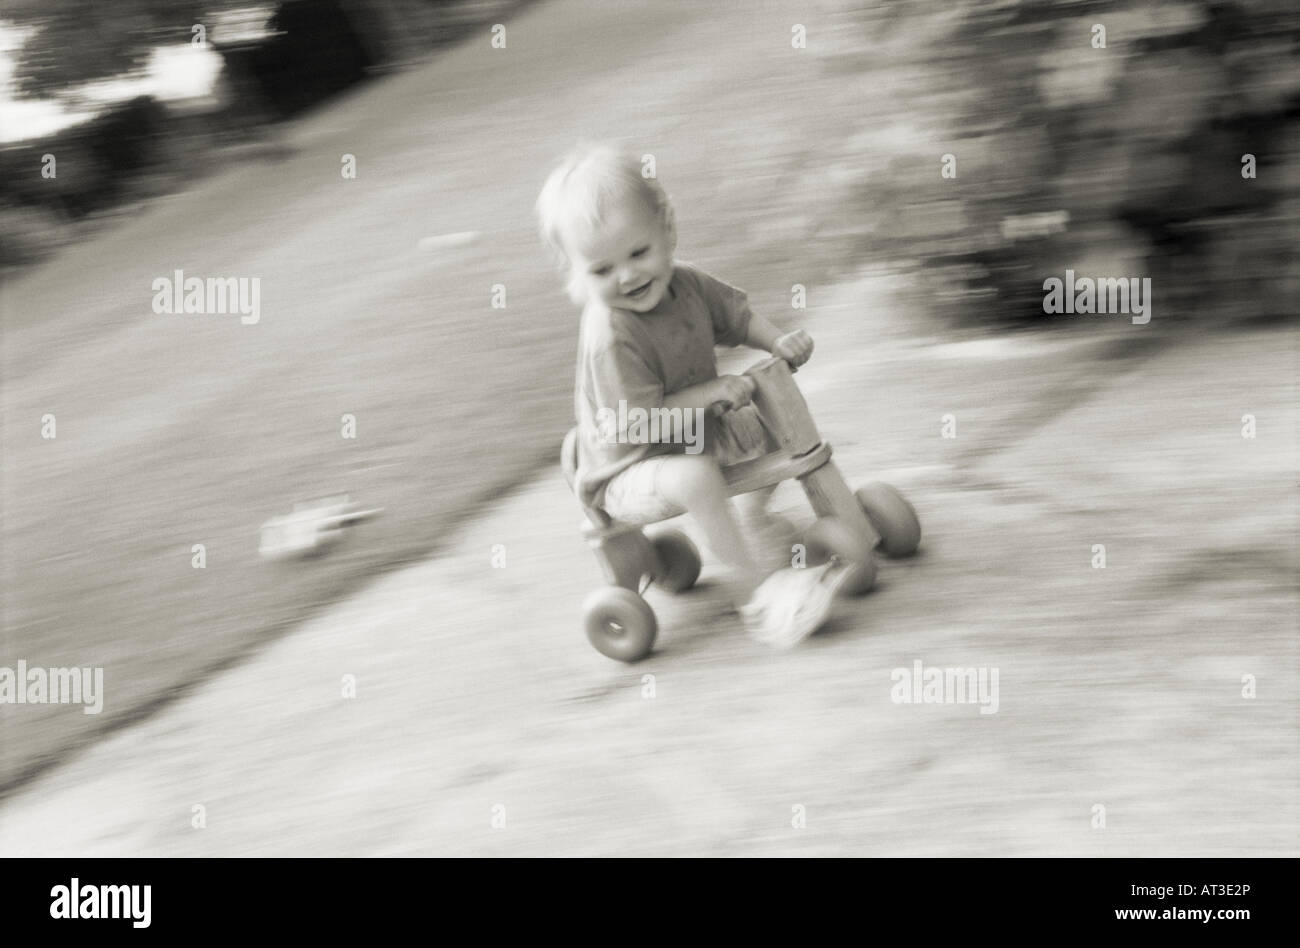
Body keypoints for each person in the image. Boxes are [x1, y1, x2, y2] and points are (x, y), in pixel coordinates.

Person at [537, 144, 850, 646]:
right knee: (696, 476)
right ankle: (761, 599)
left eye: (638, 253)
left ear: (666, 228)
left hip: (694, 432)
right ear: (575, 273)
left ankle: (755, 520)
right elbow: (637, 424)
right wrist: (711, 392)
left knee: (778, 424)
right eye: (601, 270)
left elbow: (737, 317)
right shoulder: (611, 335)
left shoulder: (687, 285)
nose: (628, 276)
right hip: (629, 465)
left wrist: (776, 341)